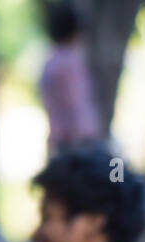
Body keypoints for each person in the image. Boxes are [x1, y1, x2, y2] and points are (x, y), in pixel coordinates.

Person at [39, 1, 101, 152]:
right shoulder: (71, 64)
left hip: (58, 140)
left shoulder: (50, 62)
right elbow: (76, 104)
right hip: (77, 143)